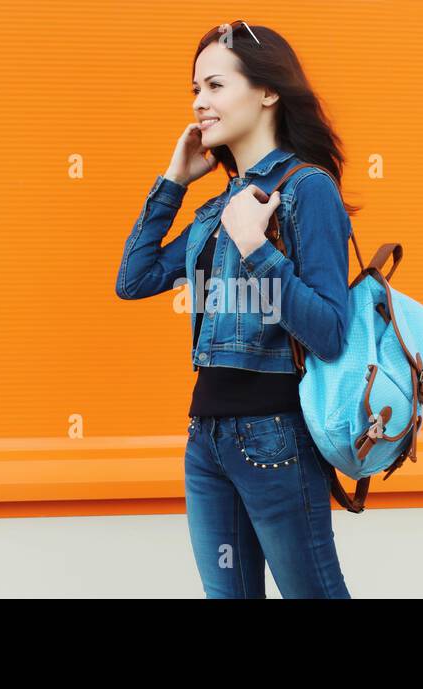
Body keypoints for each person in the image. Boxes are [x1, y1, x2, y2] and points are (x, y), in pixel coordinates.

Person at [115, 20, 360, 598]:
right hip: (207, 439)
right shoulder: (219, 207)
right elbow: (134, 278)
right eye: (195, 90)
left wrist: (258, 250)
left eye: (216, 86)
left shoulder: (308, 190)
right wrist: (174, 180)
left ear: (268, 91)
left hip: (275, 437)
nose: (200, 102)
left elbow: (329, 331)